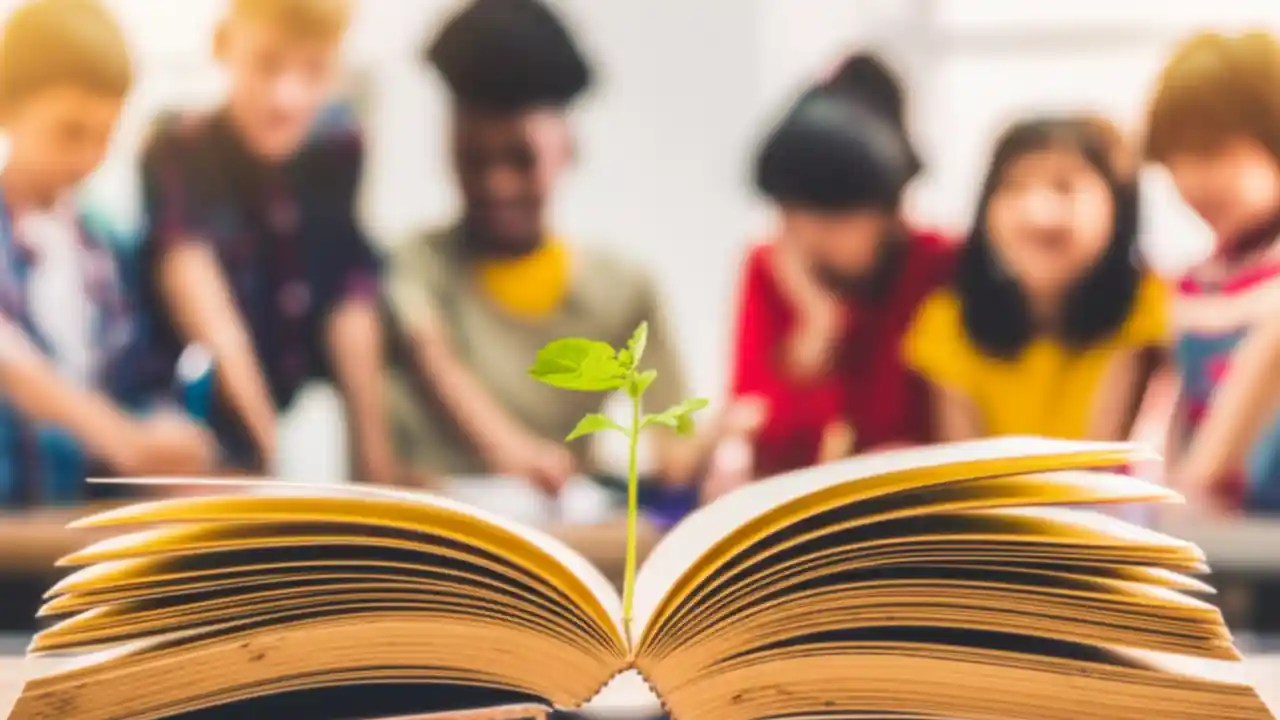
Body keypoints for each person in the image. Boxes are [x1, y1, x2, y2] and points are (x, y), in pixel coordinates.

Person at [385, 0, 697, 493]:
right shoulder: (412, 266)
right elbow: (432, 355)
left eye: (521, 159)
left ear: (568, 148)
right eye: (473, 159)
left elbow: (675, 448)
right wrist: (520, 457)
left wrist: (719, 448)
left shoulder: (624, 291)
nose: (498, 185)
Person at [139, 0, 401, 483]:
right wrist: (269, 447)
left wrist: (375, 467)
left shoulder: (339, 149)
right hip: (194, 426)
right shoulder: (177, 146)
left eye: (314, 70)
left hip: (288, 413)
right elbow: (197, 291)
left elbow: (350, 300)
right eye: (266, 64)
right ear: (223, 45)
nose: (287, 96)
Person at [0, 0, 215, 506]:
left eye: (104, 136)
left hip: (77, 529)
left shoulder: (106, 246)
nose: (87, 157)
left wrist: (160, 432)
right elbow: (11, 362)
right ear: (7, 107)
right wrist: (122, 437)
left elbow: (130, 377)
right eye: (69, 131)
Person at [724, 55, 953, 480]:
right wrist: (816, 329)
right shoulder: (771, 267)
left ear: (888, 211)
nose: (807, 239)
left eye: (832, 219)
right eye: (790, 214)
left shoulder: (939, 267)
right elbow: (768, 444)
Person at [904, 118, 1168, 444]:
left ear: (1118, 204)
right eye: (1014, 186)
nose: (1037, 212)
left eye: (1064, 186)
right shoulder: (946, 321)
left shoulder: (1147, 306)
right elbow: (964, 469)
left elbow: (1102, 458)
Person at [1145, 31, 1280, 511]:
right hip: (1221, 528)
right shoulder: (1198, 281)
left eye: (1214, 153)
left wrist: (1198, 480)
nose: (1194, 180)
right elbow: (1179, 412)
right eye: (1177, 159)